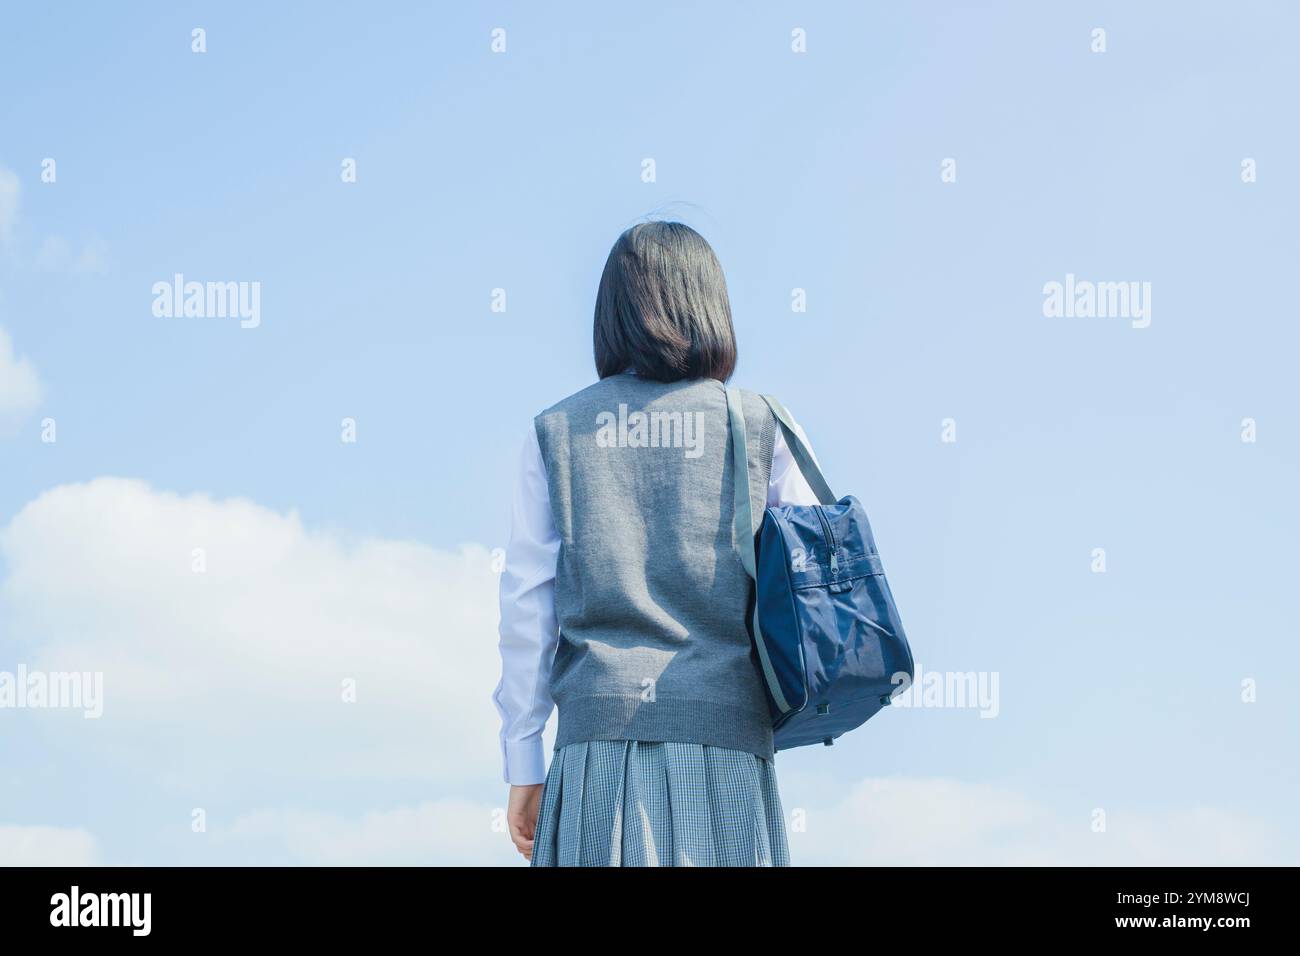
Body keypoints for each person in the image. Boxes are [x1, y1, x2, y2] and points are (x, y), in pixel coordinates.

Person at [492, 221, 820, 866]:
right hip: (728, 738)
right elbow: (814, 580)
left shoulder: (555, 431)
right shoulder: (762, 425)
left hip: (596, 752)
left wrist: (523, 760)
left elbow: (526, 604)